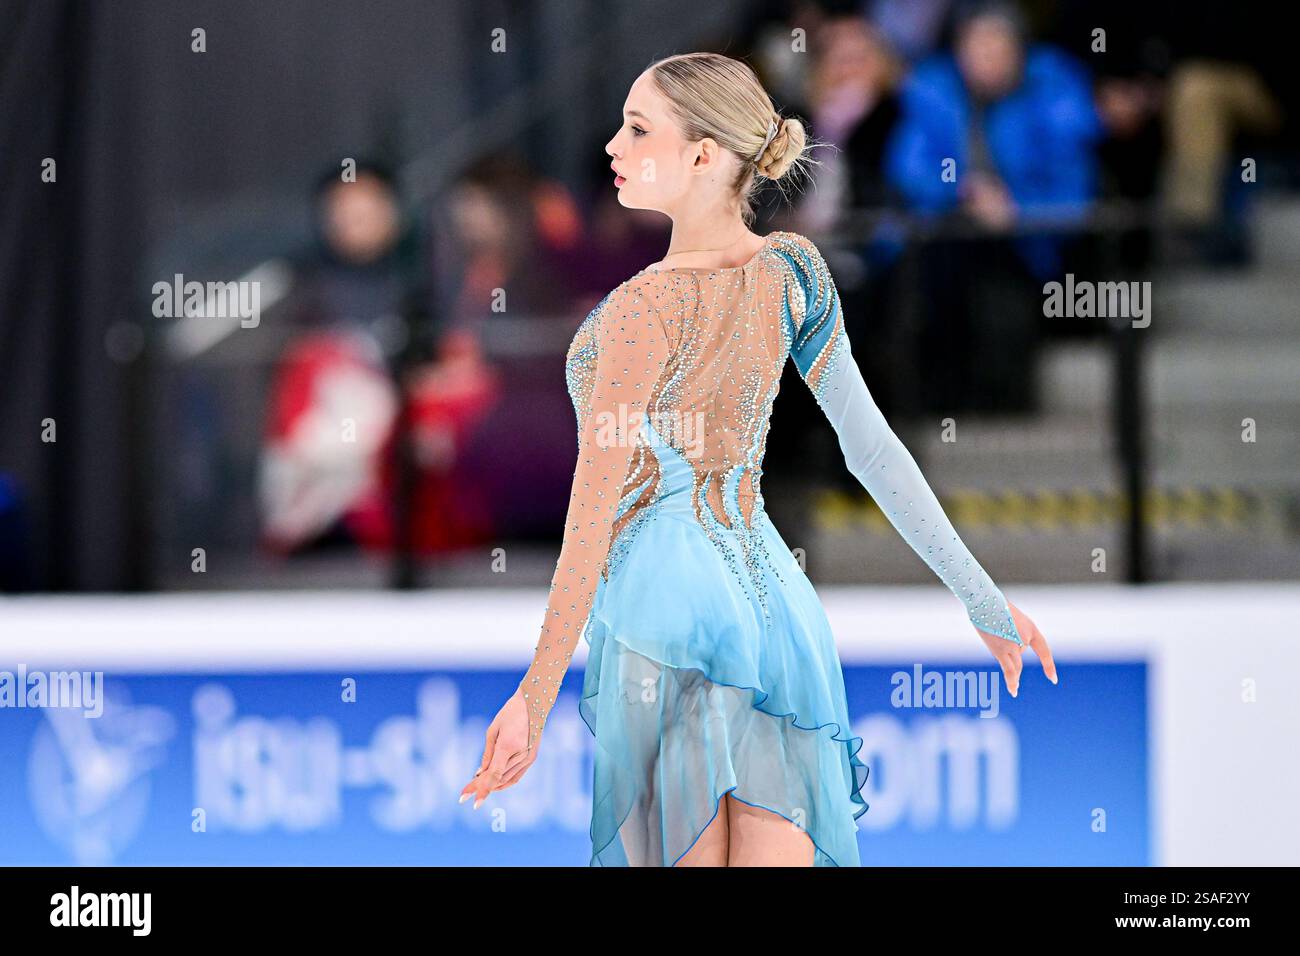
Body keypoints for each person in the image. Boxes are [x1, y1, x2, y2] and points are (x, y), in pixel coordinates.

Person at [460, 52, 1056, 867]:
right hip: (775, 605)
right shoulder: (794, 271)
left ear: (705, 156)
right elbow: (872, 450)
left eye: (637, 129)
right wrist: (980, 596)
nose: (611, 146)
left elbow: (594, 506)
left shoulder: (641, 308)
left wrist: (534, 694)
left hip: (666, 611)